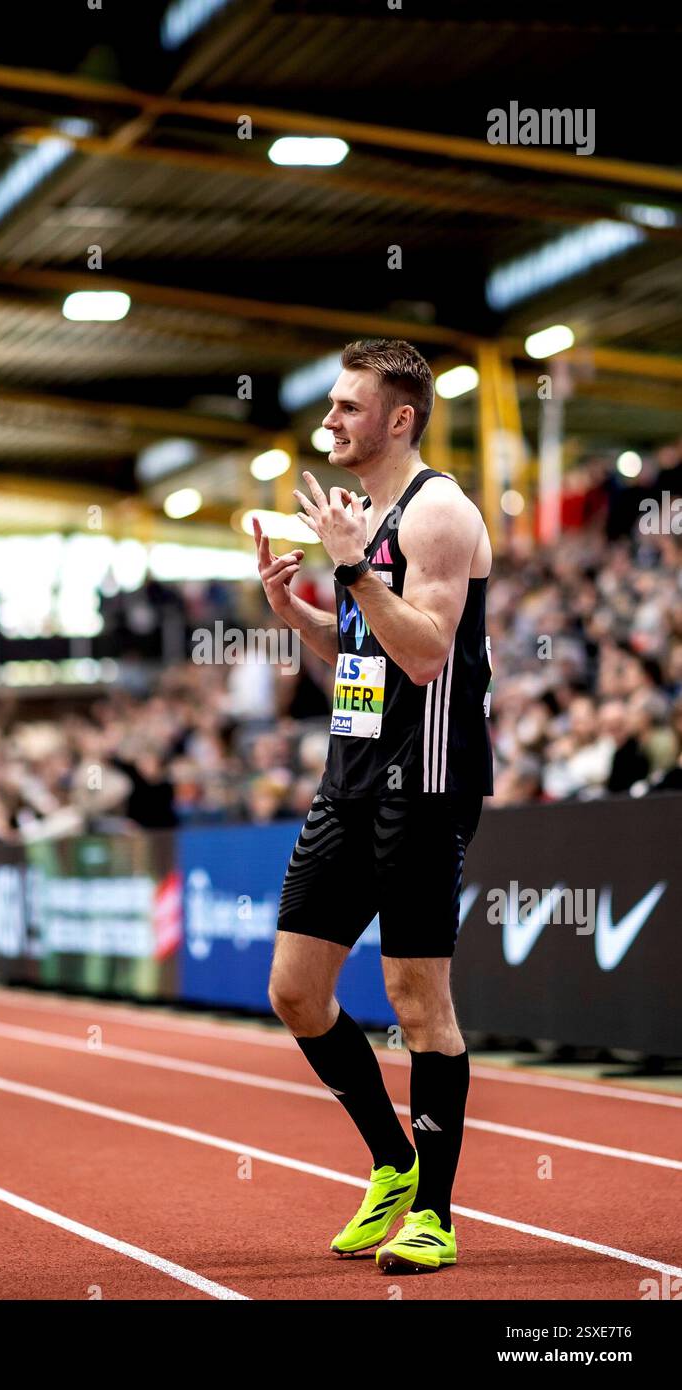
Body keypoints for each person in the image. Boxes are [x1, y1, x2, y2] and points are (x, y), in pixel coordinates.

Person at [254, 338, 493, 1275]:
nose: (330, 419)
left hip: (426, 784)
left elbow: (429, 654)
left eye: (349, 406)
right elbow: (369, 654)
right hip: (349, 776)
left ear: (399, 418)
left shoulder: (438, 509)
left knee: (414, 999)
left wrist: (353, 572)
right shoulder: (360, 512)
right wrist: (304, 616)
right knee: (294, 991)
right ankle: (391, 1162)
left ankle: (434, 1213)